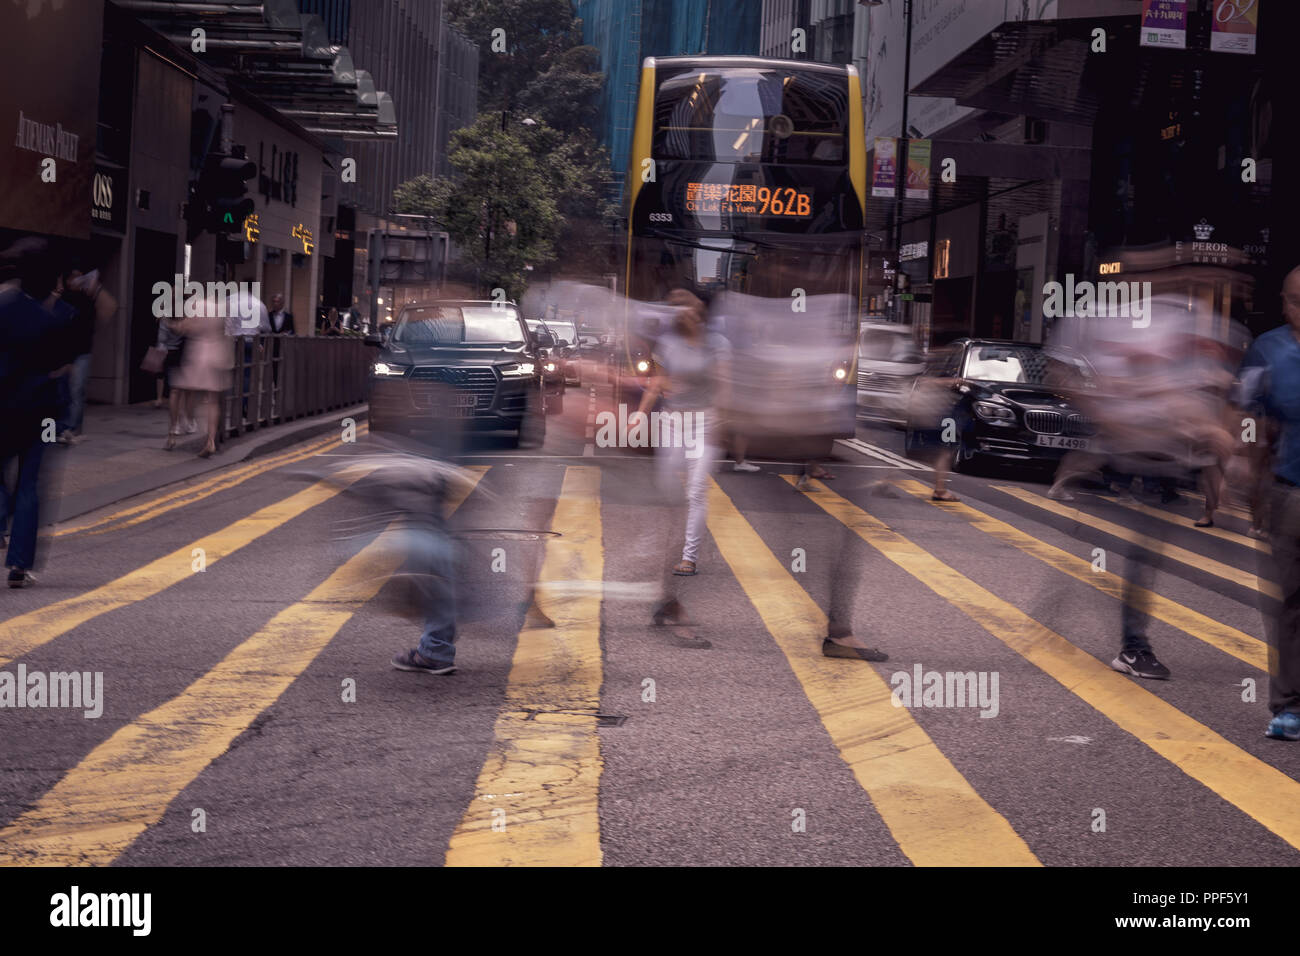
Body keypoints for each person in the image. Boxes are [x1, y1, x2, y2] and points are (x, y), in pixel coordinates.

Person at [1238, 265, 1300, 739]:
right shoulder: (1267, 349)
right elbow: (1247, 418)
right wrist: (1255, 483)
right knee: (1290, 602)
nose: (1296, 310)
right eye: (1293, 300)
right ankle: (1289, 705)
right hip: (1289, 491)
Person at [637, 289, 728, 578]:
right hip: (673, 423)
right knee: (666, 484)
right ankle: (670, 534)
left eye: (685, 305)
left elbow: (724, 386)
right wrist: (640, 414)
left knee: (697, 490)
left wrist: (721, 423)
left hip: (705, 424)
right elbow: (657, 383)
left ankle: (689, 557)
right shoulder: (667, 343)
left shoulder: (717, 344)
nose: (680, 311)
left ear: (699, 309)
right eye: (674, 306)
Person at [0, 238, 74, 587]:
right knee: (31, 482)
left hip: (3, 408)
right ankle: (19, 565)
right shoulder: (51, 319)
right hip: (42, 414)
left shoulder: (3, 306)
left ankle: (3, 521)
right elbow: (61, 369)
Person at [52, 267, 115, 445]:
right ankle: (60, 428)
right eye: (74, 278)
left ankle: (73, 429)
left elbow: (110, 308)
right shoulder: (60, 298)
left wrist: (97, 288)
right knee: (62, 393)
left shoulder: (88, 299)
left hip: (81, 353)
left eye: (81, 278)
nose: (77, 281)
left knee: (76, 391)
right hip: (62, 353)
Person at [165, 297, 233, 458]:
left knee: (177, 390)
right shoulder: (219, 308)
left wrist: (169, 323)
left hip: (199, 355)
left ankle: (173, 432)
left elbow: (185, 327)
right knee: (212, 401)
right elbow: (227, 332)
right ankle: (210, 440)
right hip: (217, 354)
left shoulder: (197, 306)